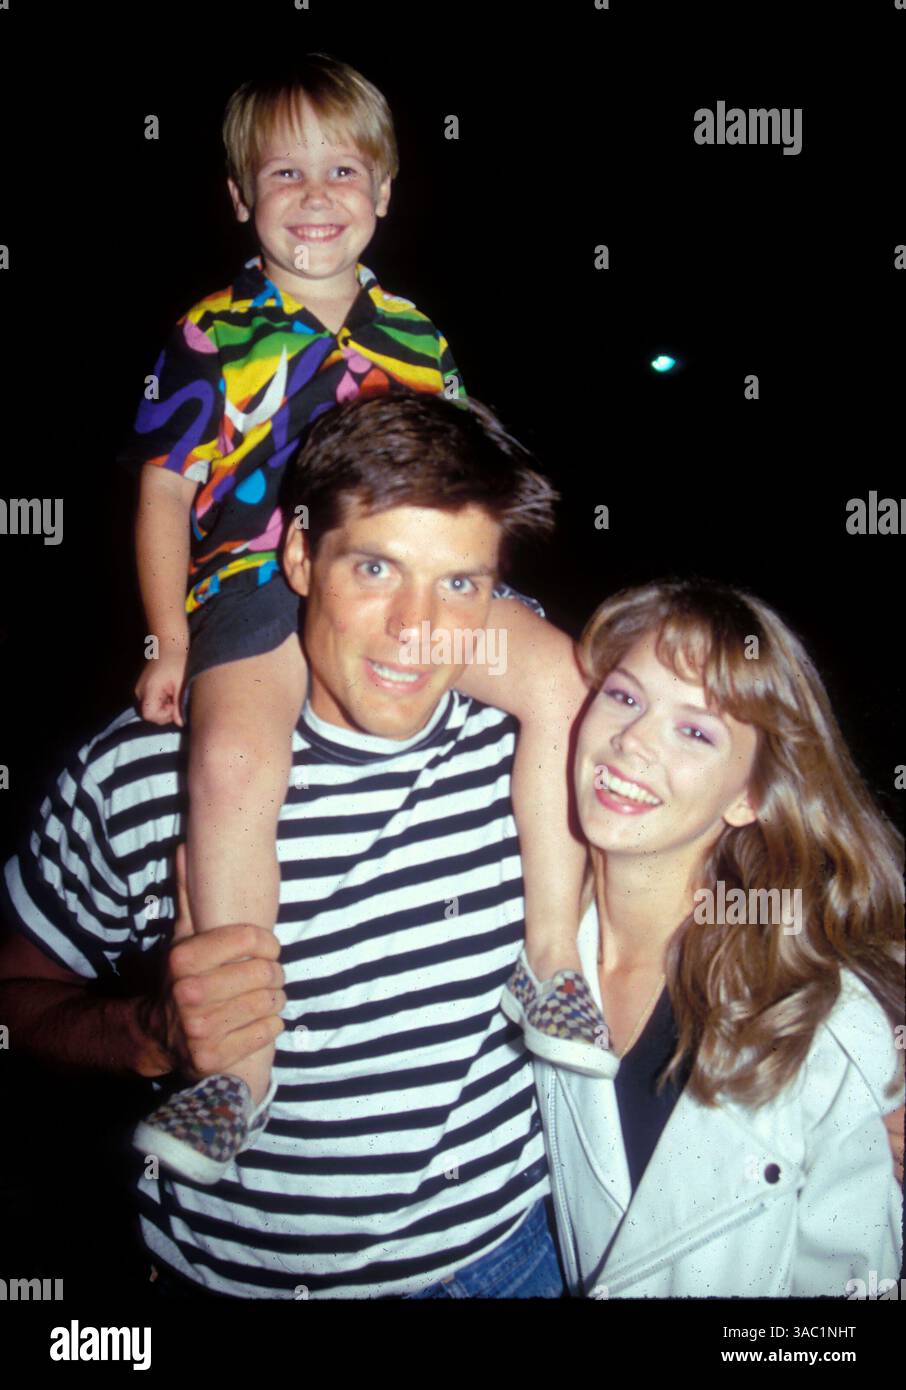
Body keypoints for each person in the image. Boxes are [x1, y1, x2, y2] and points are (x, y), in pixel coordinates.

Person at [122, 56, 606, 1184]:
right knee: (234, 762)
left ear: (383, 190)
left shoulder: (418, 339)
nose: (317, 193)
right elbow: (159, 491)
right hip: (250, 589)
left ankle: (548, 960)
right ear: (240, 196)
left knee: (567, 680)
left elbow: (456, 487)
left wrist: (477, 585)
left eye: (343, 168)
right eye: (284, 172)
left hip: (404, 580)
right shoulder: (210, 335)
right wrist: (168, 641)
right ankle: (236, 1073)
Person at [0, 390, 574, 1299]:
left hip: (512, 1264)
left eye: (459, 584)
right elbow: (18, 1002)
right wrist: (148, 1035)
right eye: (377, 570)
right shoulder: (148, 769)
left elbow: (711, 895)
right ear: (300, 555)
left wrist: (875, 1068)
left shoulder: (535, 752)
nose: (415, 628)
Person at [533, 579, 905, 1297]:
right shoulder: (533, 947)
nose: (633, 741)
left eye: (696, 731)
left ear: (751, 796)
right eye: (624, 695)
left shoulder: (812, 1027)